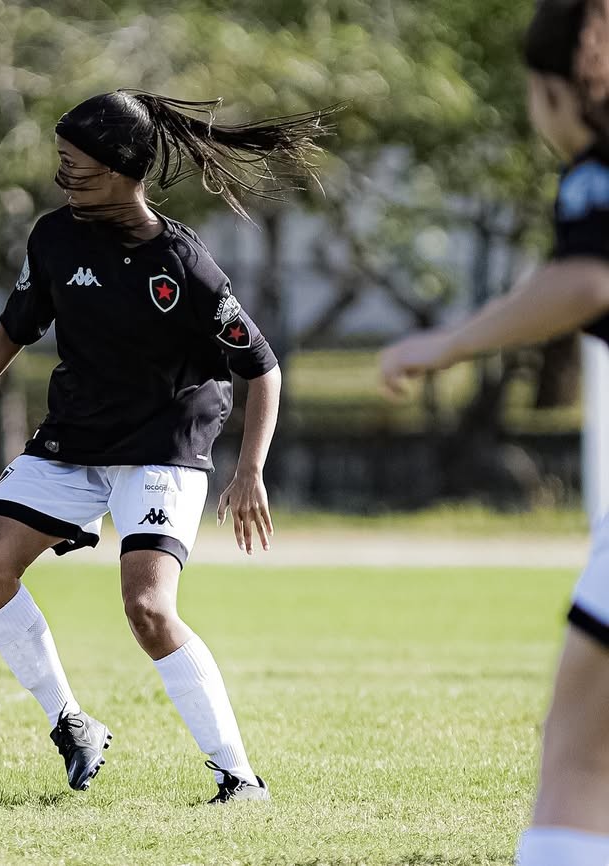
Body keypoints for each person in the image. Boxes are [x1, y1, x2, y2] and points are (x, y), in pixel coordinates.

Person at [0, 90, 332, 802]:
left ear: (119, 171)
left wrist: (250, 469)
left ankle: (240, 779)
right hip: (75, 437)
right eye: (59, 164)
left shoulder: (183, 262)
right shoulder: (53, 238)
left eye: (73, 167)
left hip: (164, 445)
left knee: (148, 609)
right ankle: (71, 722)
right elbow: (15, 327)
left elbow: (261, 367)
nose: (62, 178)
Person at [380, 0, 609, 860]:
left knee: (577, 766)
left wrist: (448, 343)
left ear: (557, 90)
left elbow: (586, 281)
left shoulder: (596, 168)